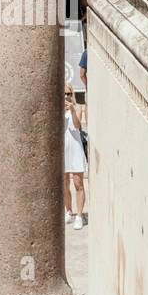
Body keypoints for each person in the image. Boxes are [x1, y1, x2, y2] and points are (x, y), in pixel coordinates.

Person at [64, 83, 87, 229]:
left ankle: (79, 215)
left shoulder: (77, 107)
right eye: (64, 93)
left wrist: (72, 110)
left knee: (78, 184)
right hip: (63, 150)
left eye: (68, 93)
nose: (66, 96)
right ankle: (68, 211)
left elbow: (77, 125)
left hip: (75, 149)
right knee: (64, 184)